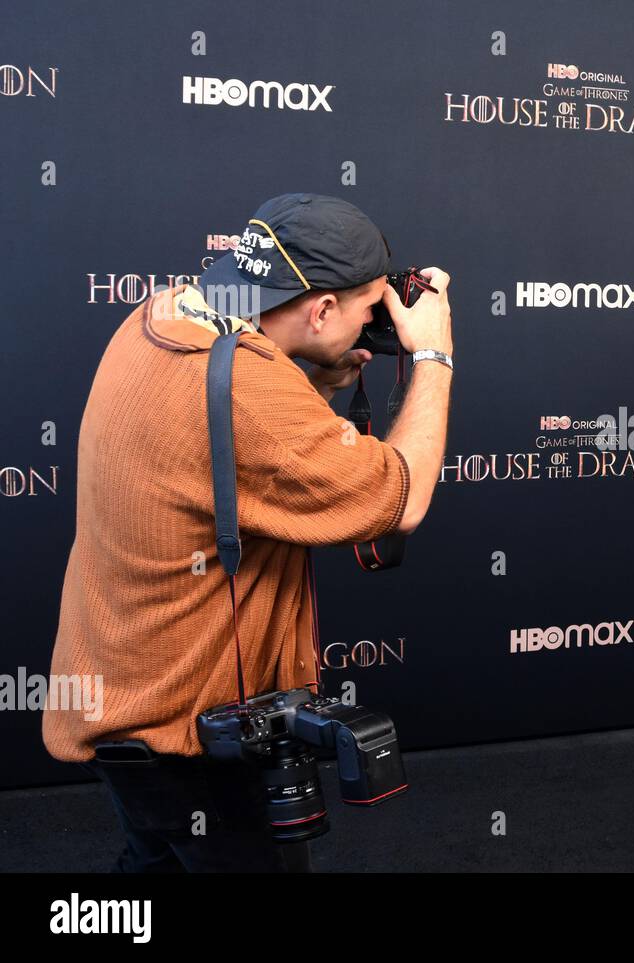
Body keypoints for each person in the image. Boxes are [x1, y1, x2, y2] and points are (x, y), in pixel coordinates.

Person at [41, 193, 454, 872]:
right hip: (189, 737)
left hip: (117, 707)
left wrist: (312, 378)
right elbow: (399, 497)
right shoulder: (251, 393)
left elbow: (228, 453)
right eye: (367, 305)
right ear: (320, 309)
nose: (380, 321)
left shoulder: (162, 311)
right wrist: (433, 354)